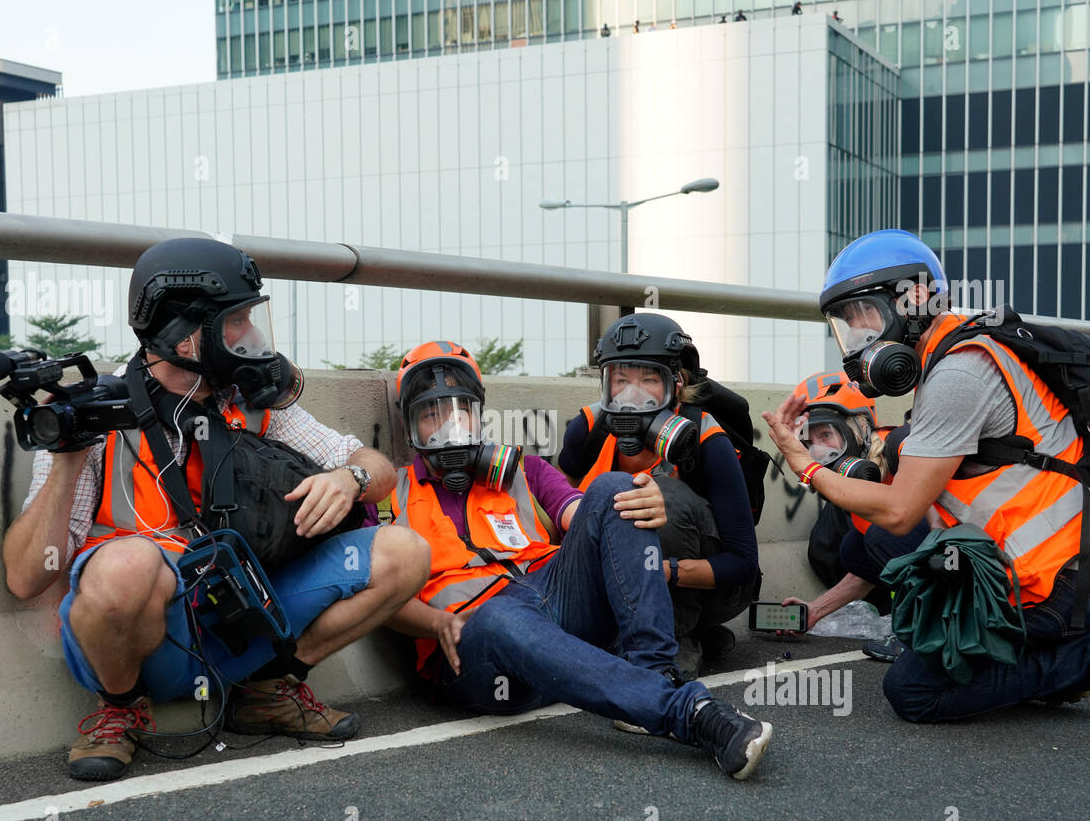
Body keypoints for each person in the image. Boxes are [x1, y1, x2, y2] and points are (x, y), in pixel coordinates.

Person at [3, 237, 429, 780]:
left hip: (243, 617)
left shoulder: (247, 398)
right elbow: (24, 578)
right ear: (183, 335)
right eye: (237, 320)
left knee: (406, 551)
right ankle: (122, 709)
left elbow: (374, 465)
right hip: (149, 632)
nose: (251, 336)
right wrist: (65, 460)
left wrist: (352, 478)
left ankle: (269, 690)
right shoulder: (98, 412)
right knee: (128, 563)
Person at [762, 228, 1090, 722]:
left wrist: (804, 463)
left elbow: (902, 512)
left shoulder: (959, 374)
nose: (859, 338)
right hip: (1077, 550)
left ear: (916, 299)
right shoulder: (955, 358)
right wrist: (820, 609)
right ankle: (1078, 641)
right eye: (847, 324)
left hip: (1061, 578)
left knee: (914, 691)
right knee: (870, 541)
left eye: (865, 317)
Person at [384, 341, 773, 780]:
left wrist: (639, 502)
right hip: (477, 646)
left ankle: (653, 669)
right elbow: (377, 591)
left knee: (614, 491)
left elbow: (580, 513)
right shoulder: (387, 495)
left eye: (460, 410)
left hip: (554, 598)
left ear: (478, 414)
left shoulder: (524, 471)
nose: (448, 426)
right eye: (432, 413)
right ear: (411, 425)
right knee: (497, 618)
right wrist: (435, 624)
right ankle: (690, 712)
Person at [558, 313, 760, 682]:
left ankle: (675, 642)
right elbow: (558, 508)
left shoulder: (707, 441)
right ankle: (664, 634)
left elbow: (743, 565)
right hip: (615, 576)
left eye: (649, 379)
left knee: (654, 493)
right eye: (620, 379)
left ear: (676, 385)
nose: (631, 395)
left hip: (708, 585)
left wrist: (651, 572)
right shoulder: (586, 429)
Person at [774, 371, 925, 660]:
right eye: (810, 440)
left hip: (984, 564)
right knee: (855, 548)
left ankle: (925, 633)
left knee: (880, 534)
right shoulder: (857, 478)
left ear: (860, 427)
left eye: (828, 434)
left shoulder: (903, 447)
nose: (819, 449)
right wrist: (813, 611)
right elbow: (866, 569)